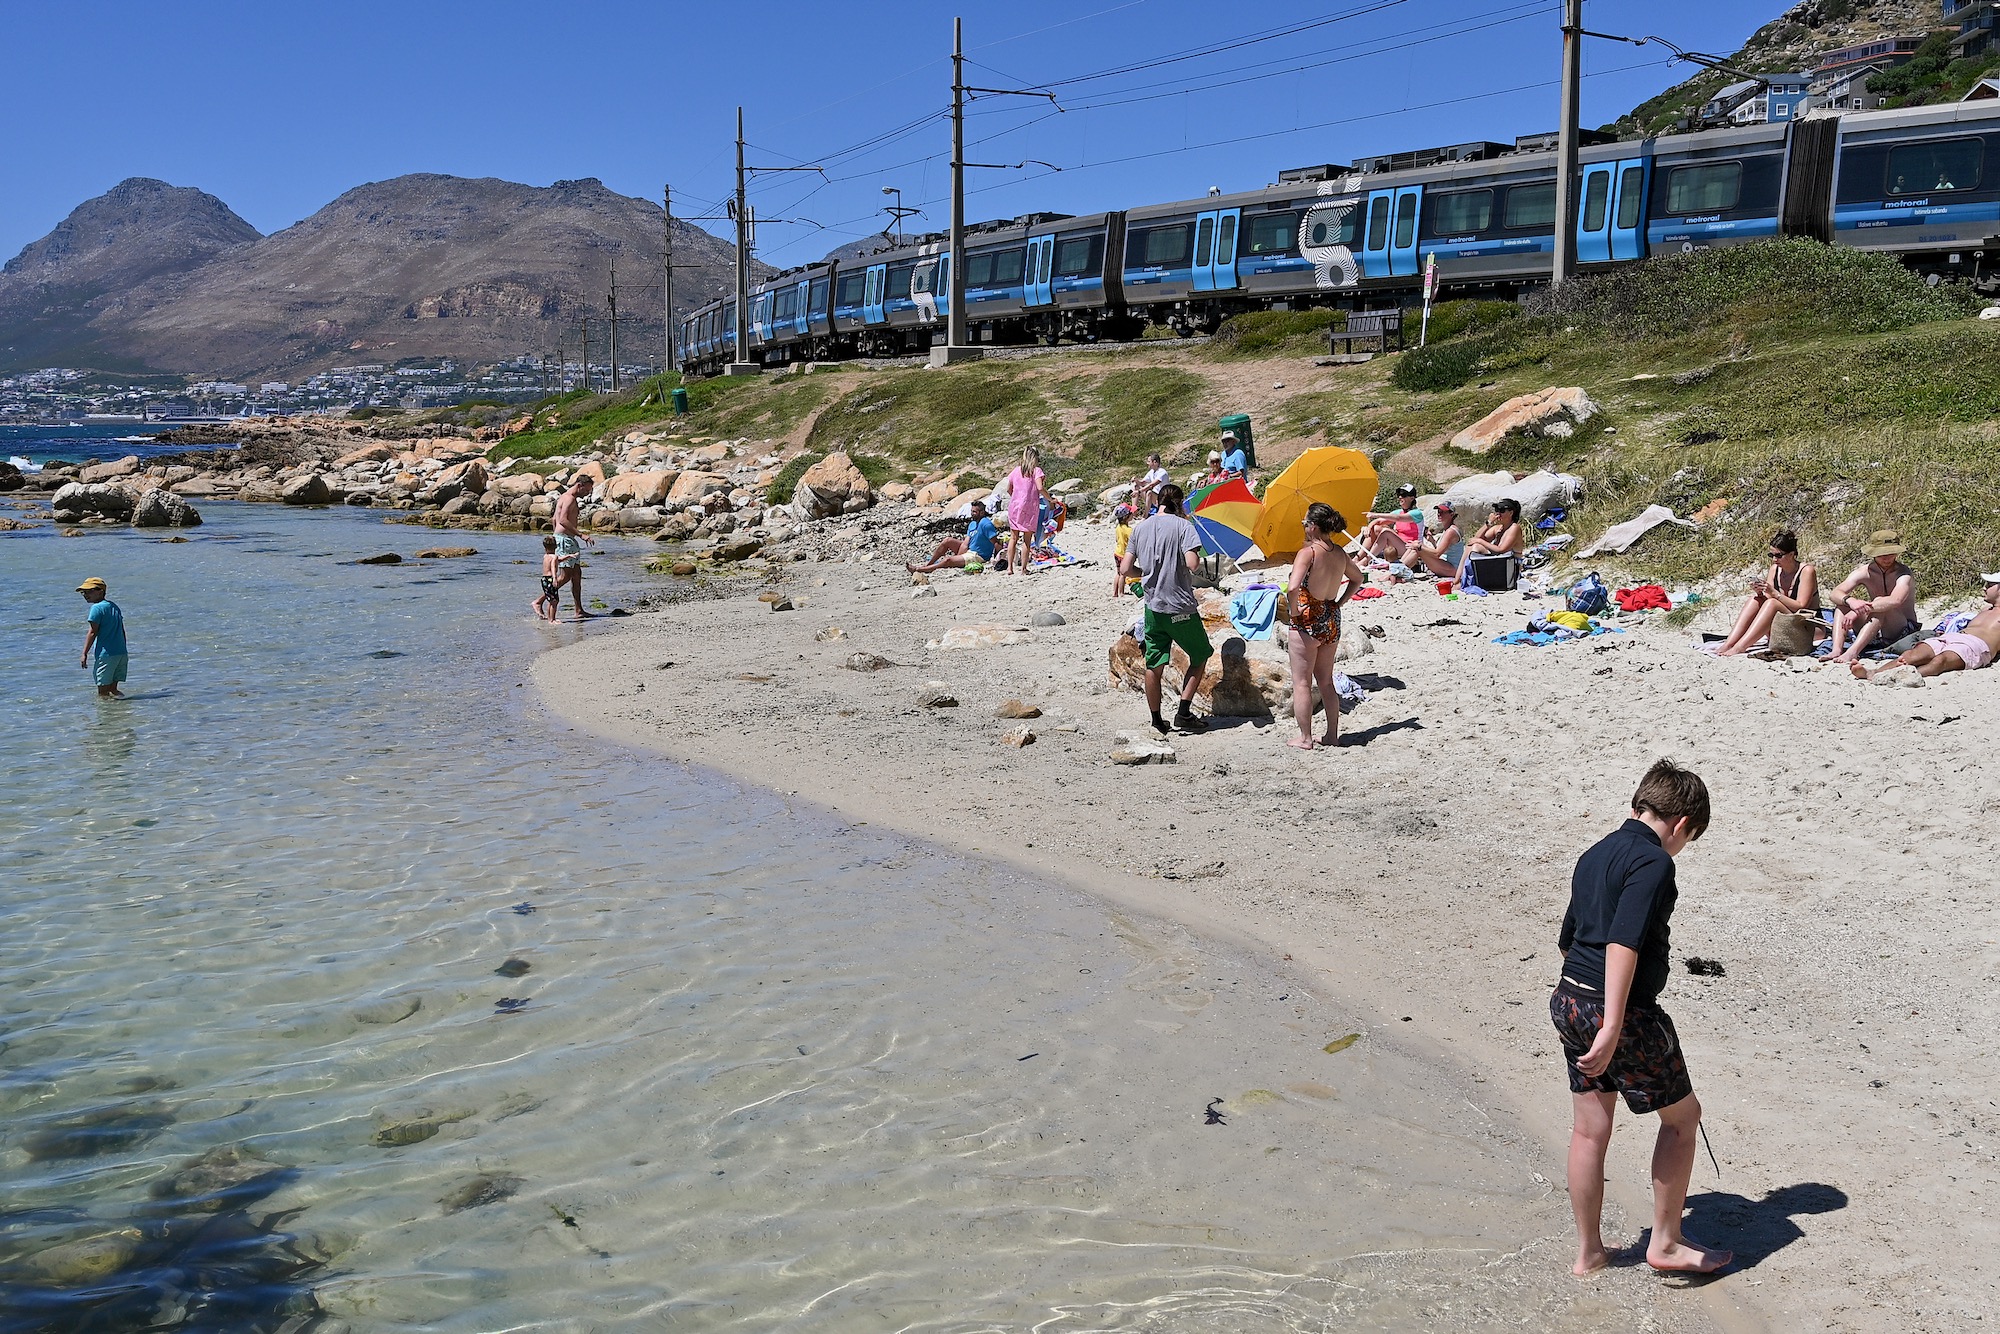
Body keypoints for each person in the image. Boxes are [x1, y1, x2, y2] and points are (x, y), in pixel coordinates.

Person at [1552, 759, 1732, 1278]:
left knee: (1590, 1130)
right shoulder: (1654, 863)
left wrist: (1588, 1012)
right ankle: (1667, 1244)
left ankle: (1588, 1254)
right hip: (1619, 1012)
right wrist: (1611, 1023)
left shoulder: (1595, 853)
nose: (1681, 848)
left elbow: (1569, 941)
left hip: (1569, 1000)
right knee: (1682, 1120)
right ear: (1681, 825)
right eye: (1687, 838)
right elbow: (1622, 940)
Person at [1118, 483, 1211, 736]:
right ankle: (1183, 711)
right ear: (1179, 504)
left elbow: (1125, 569)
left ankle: (1157, 720)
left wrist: (1145, 574)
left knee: (1154, 664)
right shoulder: (1184, 527)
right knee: (1200, 654)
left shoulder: (1141, 528)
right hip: (1179, 606)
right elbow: (1192, 564)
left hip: (1152, 607)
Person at [1285, 504, 1365, 750]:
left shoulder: (1308, 553)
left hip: (1307, 618)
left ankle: (1305, 738)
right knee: (1326, 681)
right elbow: (1358, 579)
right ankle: (1332, 734)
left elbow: (1292, 587)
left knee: (1301, 682)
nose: (1304, 528)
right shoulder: (1339, 552)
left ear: (1314, 526)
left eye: (1305, 524)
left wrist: (1293, 609)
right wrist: (1340, 601)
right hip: (1331, 616)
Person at [1852, 573, 2000, 681]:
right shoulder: (1986, 610)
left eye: (1989, 585)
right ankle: (1873, 673)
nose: (1984, 588)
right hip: (1952, 637)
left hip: (1976, 646)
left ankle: (1904, 677)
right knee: (1910, 655)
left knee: (1939, 661)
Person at [1713, 529, 1818, 657]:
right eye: (1771, 555)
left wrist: (1775, 594)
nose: (1774, 560)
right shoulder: (1775, 570)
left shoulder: (1807, 571)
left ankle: (1741, 647)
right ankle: (1729, 643)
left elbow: (1802, 606)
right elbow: (1767, 599)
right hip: (1784, 622)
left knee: (1772, 603)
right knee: (1755, 600)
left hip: (1807, 625)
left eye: (1779, 555)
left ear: (1791, 554)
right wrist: (1760, 593)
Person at [1825, 529, 1917, 664]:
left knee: (1881, 602)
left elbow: (1895, 600)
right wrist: (1851, 601)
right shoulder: (1865, 571)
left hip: (1902, 629)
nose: (1886, 558)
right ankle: (1836, 650)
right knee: (1841, 605)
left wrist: (1859, 611)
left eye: (1890, 553)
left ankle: (1853, 652)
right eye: (1881, 554)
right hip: (1875, 629)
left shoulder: (1903, 574)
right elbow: (1835, 593)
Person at [909, 500, 997, 574]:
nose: (972, 514)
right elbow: (965, 543)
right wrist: (960, 555)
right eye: (971, 511)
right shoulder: (972, 524)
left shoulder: (986, 524)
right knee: (947, 540)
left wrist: (998, 559)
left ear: (981, 513)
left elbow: (996, 543)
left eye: (974, 512)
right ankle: (929, 564)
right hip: (970, 549)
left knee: (948, 560)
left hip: (978, 555)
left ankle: (921, 569)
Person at [552, 474, 597, 620]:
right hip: (565, 540)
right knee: (565, 577)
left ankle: (579, 610)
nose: (588, 493)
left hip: (564, 539)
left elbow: (555, 519)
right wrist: (581, 535)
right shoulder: (570, 499)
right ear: (580, 485)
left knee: (576, 575)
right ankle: (539, 601)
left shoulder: (564, 497)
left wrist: (555, 537)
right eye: (587, 490)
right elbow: (563, 520)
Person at [77, 577, 128, 699]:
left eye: (89, 591)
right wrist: (123, 649)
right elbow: (122, 630)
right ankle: (122, 710)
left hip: (106, 655)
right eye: (83, 592)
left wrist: (84, 653)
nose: (85, 595)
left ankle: (107, 716)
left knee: (103, 692)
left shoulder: (96, 608)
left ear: (100, 591)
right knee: (113, 690)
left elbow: (93, 632)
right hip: (121, 653)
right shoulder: (113, 606)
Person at [1395, 499, 1465, 579]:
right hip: (1446, 564)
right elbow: (1441, 552)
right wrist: (1429, 542)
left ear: (1451, 514)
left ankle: (1396, 572)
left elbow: (1437, 554)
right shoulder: (1447, 530)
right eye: (1438, 511)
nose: (1439, 514)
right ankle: (1397, 568)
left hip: (1453, 568)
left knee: (1417, 548)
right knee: (1416, 545)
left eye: (1442, 512)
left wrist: (1420, 547)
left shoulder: (1451, 531)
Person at [1003, 447, 1045, 577]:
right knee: (1026, 539)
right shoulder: (1036, 471)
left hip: (1015, 506)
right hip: (1030, 508)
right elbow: (1040, 487)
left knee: (1013, 538)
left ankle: (1010, 568)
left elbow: (1008, 488)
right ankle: (1023, 569)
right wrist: (1049, 498)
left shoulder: (1016, 471)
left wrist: (1016, 497)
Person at [1361, 485, 1426, 561]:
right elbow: (1378, 521)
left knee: (1386, 532)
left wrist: (1375, 514)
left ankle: (1367, 559)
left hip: (1410, 548)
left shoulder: (1416, 513)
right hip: (1398, 546)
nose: (1400, 497)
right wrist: (1368, 528)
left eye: (1404, 495)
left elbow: (1398, 518)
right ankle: (1359, 556)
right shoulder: (1398, 512)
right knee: (1376, 528)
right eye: (1399, 495)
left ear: (1412, 498)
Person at [534, 536, 562, 621]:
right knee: (555, 601)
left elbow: (557, 561)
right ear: (556, 546)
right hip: (550, 578)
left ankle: (550, 618)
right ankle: (552, 620)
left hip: (544, 579)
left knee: (550, 600)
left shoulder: (545, 556)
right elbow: (553, 567)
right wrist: (555, 578)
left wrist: (568, 557)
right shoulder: (554, 557)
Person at [1110, 503, 1136, 595]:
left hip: (1117, 552)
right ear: (1126, 517)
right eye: (1131, 513)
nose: (1133, 514)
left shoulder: (1118, 527)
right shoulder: (1128, 530)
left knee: (1118, 573)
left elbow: (1117, 539)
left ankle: (1115, 592)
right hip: (1123, 554)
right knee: (1123, 574)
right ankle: (1121, 592)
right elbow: (1133, 541)